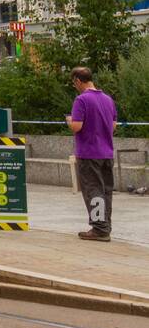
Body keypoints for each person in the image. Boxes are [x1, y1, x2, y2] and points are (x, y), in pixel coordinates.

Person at [66, 66, 116, 242]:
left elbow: (77, 126)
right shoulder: (108, 99)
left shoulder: (81, 100)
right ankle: (105, 225)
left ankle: (99, 229)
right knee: (105, 191)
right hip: (107, 153)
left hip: (89, 153)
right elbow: (113, 126)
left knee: (93, 190)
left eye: (74, 83)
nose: (75, 86)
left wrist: (69, 121)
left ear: (78, 81)